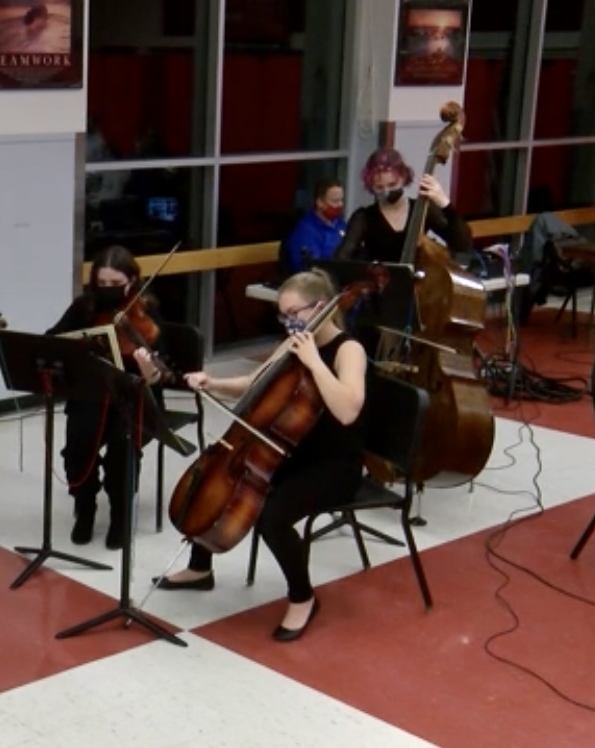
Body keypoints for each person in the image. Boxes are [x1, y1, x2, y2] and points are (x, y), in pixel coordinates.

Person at [157, 269, 367, 642]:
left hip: (333, 464)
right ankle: (200, 568)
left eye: (293, 313)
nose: (287, 323)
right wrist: (215, 382)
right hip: (286, 451)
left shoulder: (348, 350)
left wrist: (316, 362)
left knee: (271, 516)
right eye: (282, 316)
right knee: (218, 480)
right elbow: (256, 384)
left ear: (320, 307)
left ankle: (303, 597)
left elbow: (348, 409)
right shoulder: (294, 342)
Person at [46, 245, 166, 549]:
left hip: (134, 397)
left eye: (116, 285)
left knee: (122, 454)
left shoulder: (146, 309)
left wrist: (145, 365)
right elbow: (52, 339)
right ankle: (85, 509)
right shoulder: (84, 307)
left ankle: (120, 517)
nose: (109, 291)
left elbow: (159, 376)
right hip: (90, 394)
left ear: (132, 280)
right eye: (103, 285)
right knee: (76, 451)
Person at [335, 147, 471, 263]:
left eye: (392, 185)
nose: (386, 191)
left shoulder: (422, 210)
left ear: (404, 177)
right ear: (371, 186)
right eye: (379, 187)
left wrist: (445, 204)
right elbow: (342, 258)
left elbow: (462, 244)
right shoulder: (364, 217)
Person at [282, 177, 347, 275]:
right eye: (335, 201)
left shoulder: (340, 224)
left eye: (341, 200)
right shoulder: (306, 231)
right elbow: (312, 270)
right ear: (320, 202)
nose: (340, 205)